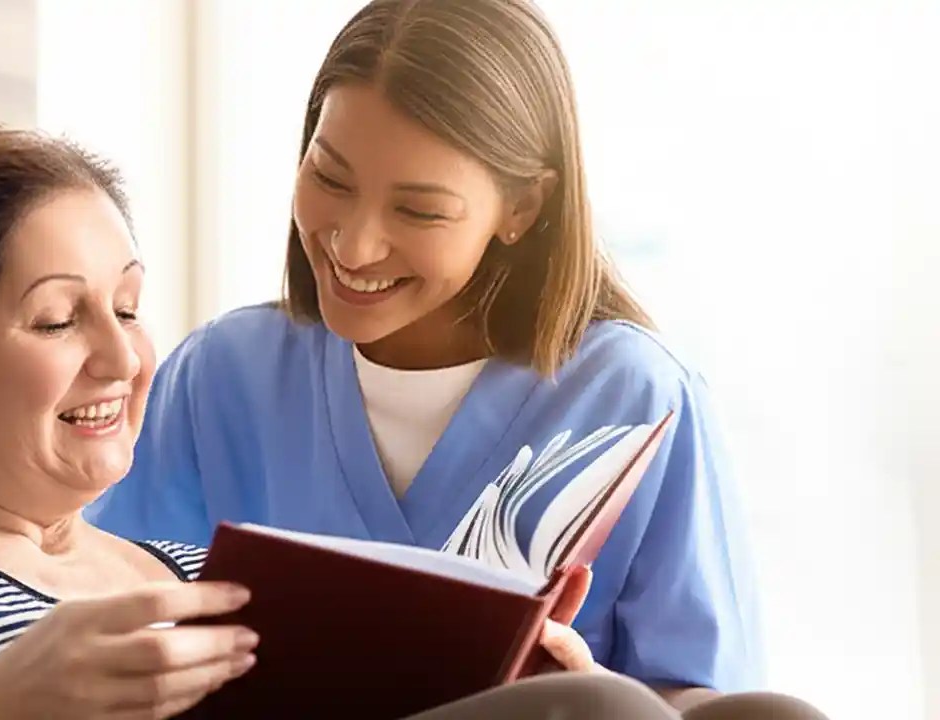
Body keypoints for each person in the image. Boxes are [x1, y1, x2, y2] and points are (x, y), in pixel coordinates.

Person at [0, 118, 827, 720]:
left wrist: (519, 665)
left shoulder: (185, 567)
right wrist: (1, 712)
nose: (124, 355)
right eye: (61, 318)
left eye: (126, 304)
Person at [83, 0, 782, 713]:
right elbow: (101, 621)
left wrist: (589, 690)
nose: (353, 246)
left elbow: (705, 688)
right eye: (329, 178)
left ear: (523, 208)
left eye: (417, 211)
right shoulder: (223, 377)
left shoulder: (636, 395)